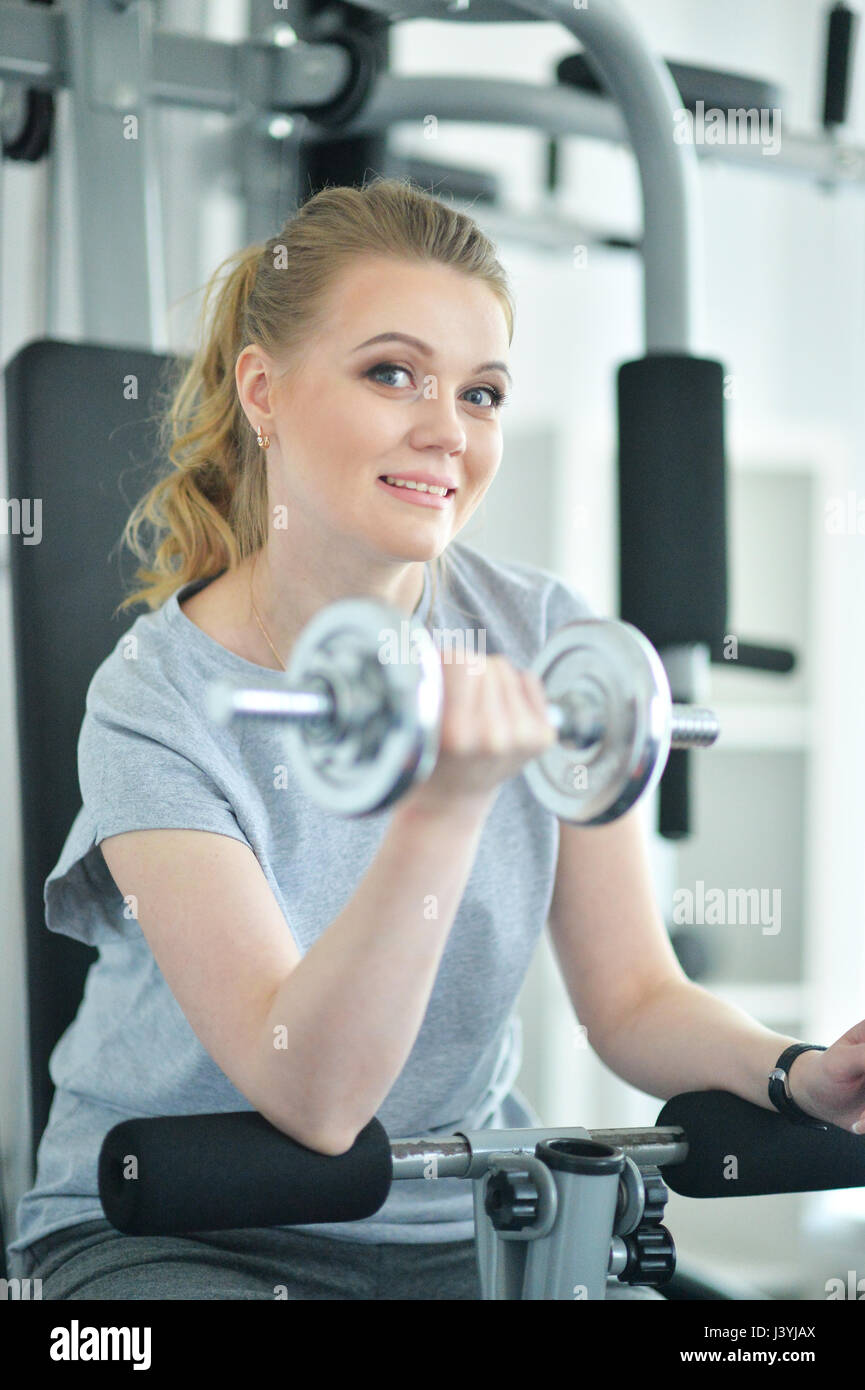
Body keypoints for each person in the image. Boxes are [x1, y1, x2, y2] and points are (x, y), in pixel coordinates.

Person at [6, 177, 864, 1302]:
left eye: (484, 392)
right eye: (391, 373)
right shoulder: (154, 702)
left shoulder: (545, 637)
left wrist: (795, 1071)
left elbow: (633, 999)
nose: (446, 431)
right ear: (263, 391)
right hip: (174, 1229)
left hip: (457, 1222)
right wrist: (447, 801)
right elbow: (309, 1095)